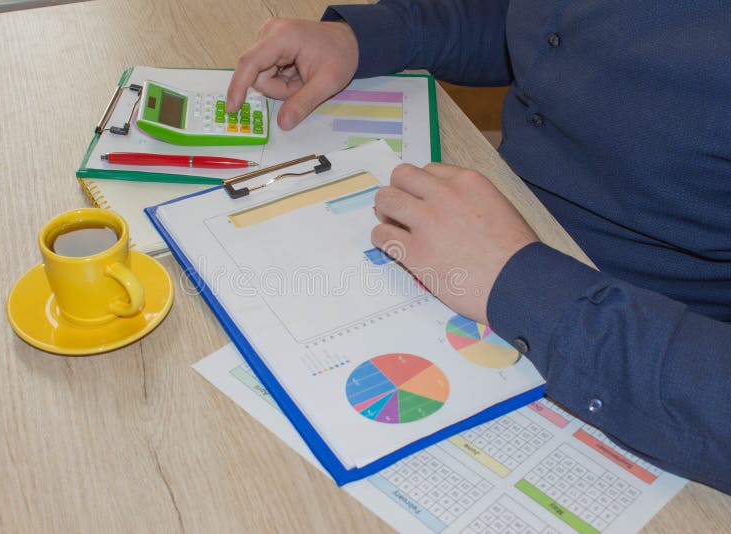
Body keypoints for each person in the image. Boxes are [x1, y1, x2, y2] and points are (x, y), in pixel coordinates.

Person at [226, 1, 731, 493]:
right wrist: (371, 35)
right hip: (486, 238)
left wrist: (523, 283)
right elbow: (547, 29)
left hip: (635, 353)